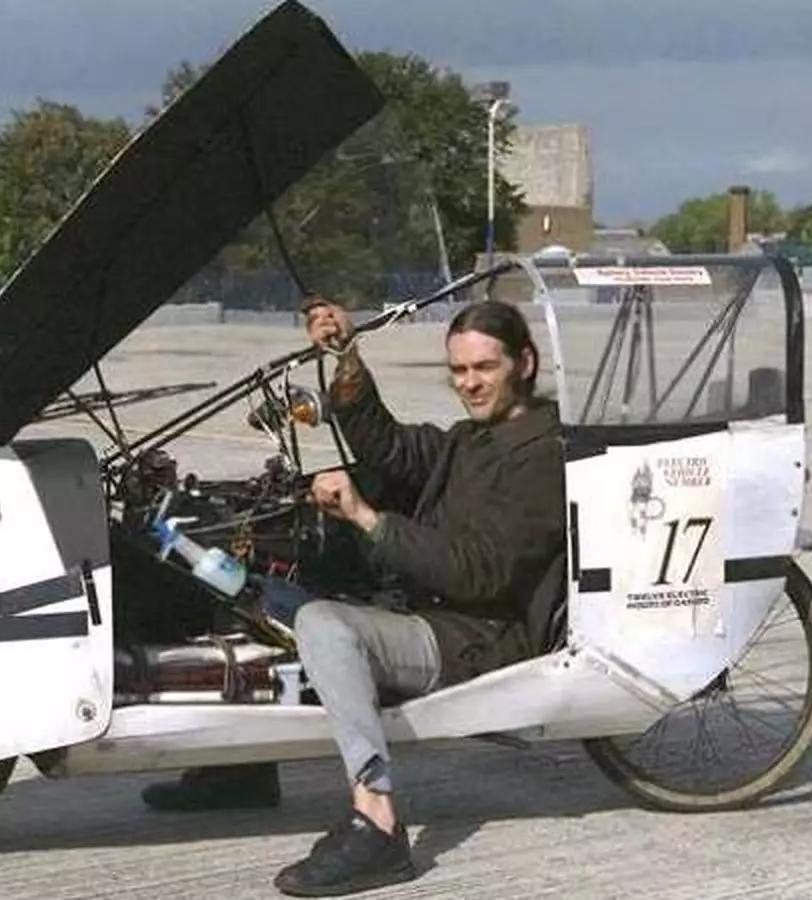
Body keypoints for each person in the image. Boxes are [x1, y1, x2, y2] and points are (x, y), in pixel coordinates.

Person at [147, 295, 568, 897]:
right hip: (427, 614)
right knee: (244, 580)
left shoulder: (538, 457)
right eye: (458, 371)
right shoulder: (472, 439)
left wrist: (369, 519)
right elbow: (392, 447)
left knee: (324, 625)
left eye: (484, 368)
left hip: (477, 638)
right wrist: (346, 356)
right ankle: (239, 770)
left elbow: (480, 572)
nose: (469, 384)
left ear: (523, 363)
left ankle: (377, 820)